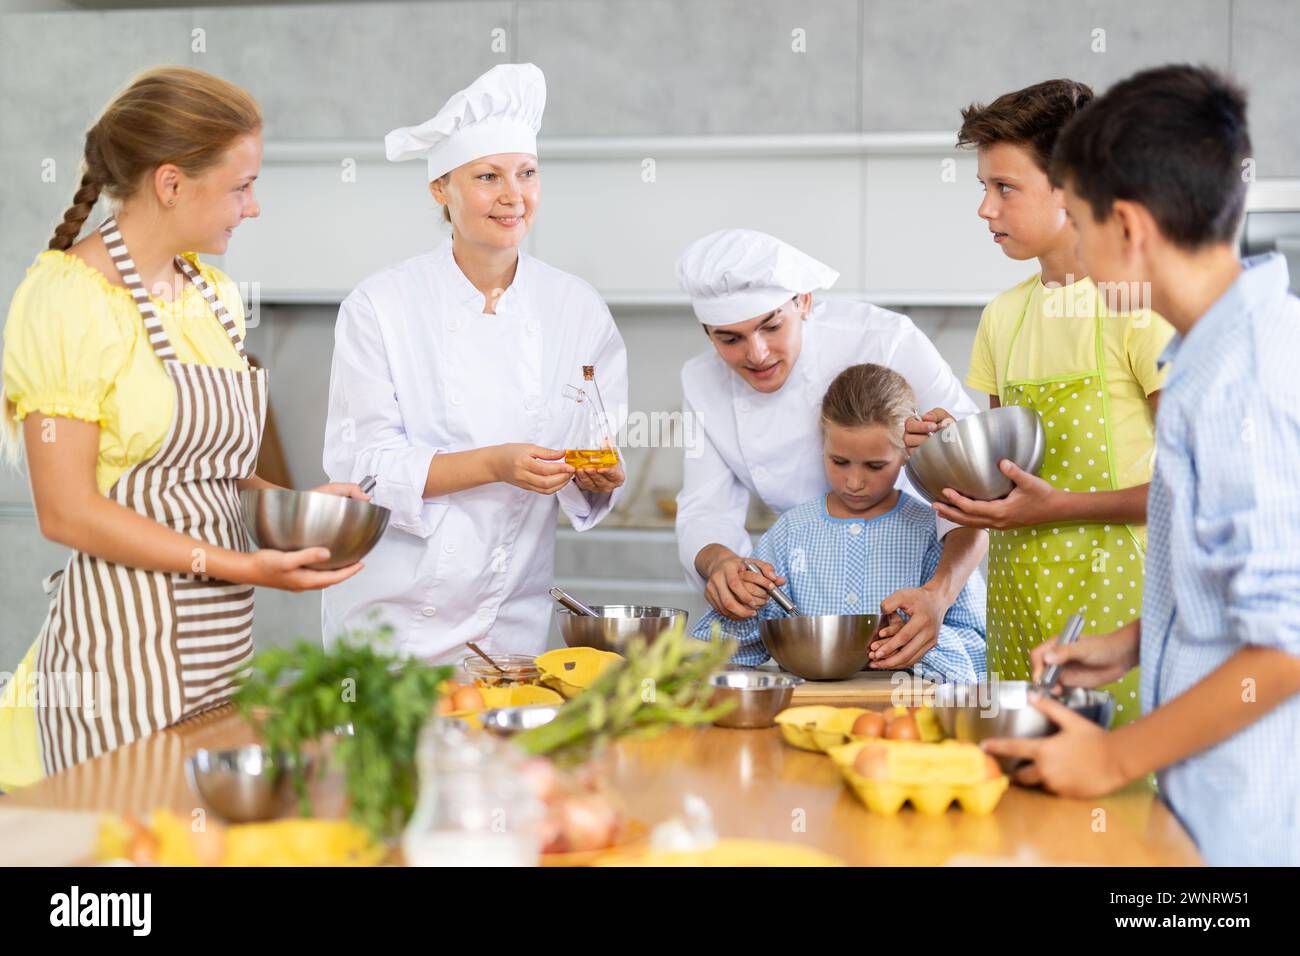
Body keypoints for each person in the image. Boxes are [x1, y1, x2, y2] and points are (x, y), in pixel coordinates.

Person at [0, 67, 365, 785]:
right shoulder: (69, 299)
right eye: (240, 186)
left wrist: (305, 514)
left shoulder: (213, 294)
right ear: (170, 183)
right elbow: (65, 511)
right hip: (114, 673)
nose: (253, 207)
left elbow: (213, 476)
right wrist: (240, 565)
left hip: (217, 657)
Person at [982, 64, 1300, 866]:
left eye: (1081, 226)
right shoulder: (1212, 354)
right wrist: (1134, 640)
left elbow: (1288, 644)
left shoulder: (1245, 380)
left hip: (1240, 826)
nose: (1078, 260)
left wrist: (1114, 758)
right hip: (1203, 799)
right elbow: (1235, 597)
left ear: (1128, 226)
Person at [321, 64, 627, 661]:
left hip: (509, 613)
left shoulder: (577, 308)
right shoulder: (380, 305)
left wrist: (599, 477)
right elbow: (367, 469)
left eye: (527, 174)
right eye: (488, 176)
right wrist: (494, 463)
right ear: (441, 188)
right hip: (392, 617)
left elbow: (596, 441)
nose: (514, 196)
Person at [932, 79, 1175, 726]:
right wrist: (947, 451)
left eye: (1004, 188)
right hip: (1014, 600)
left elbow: (1190, 488)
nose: (985, 209)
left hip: (1119, 611)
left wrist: (1062, 508)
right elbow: (998, 481)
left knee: (1118, 796)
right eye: (983, 188)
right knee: (1014, 792)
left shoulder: (1139, 308)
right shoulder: (1002, 317)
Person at [675, 228, 987, 672]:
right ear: (707, 333)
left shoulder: (887, 339)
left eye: (771, 326)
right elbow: (705, 508)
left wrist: (938, 593)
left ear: (803, 302)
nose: (757, 354)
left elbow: (977, 482)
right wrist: (721, 563)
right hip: (802, 592)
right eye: (730, 339)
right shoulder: (701, 383)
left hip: (915, 570)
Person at [693, 364, 985, 684]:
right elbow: (733, 653)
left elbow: (978, 653)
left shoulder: (935, 532)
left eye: (875, 466)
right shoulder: (792, 532)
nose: (854, 482)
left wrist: (925, 642)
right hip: (805, 712)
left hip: (906, 714)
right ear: (823, 445)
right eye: (839, 461)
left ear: (905, 454)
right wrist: (742, 606)